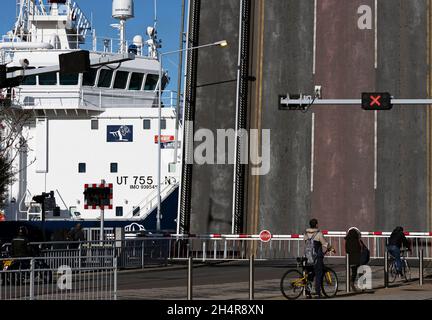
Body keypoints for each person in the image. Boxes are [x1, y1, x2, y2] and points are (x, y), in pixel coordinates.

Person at [304, 218, 330, 299]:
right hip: (317, 257)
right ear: (316, 225)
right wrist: (331, 248)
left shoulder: (306, 233)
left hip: (308, 257)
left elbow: (306, 243)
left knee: (310, 275)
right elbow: (324, 243)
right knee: (319, 274)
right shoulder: (318, 234)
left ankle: (308, 293)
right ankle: (318, 293)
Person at [345, 227, 363, 291]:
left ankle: (351, 282)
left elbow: (347, 250)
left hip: (350, 259)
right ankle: (361, 285)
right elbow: (360, 248)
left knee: (354, 272)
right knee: (360, 271)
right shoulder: (356, 240)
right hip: (357, 259)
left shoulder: (347, 241)